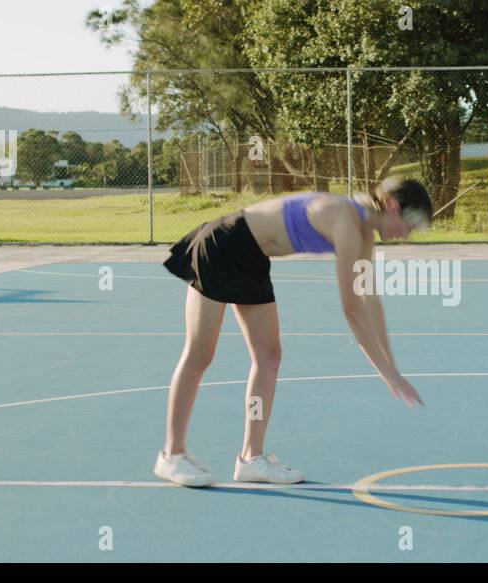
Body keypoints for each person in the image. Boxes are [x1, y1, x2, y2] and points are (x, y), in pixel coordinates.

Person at [155, 176, 432, 487]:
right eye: (412, 223)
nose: (410, 233)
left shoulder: (364, 234)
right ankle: (172, 455)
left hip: (252, 257)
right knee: (200, 353)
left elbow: (370, 301)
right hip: (224, 244)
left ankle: (251, 459)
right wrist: (386, 374)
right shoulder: (346, 219)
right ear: (393, 207)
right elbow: (352, 309)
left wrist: (392, 368)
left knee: (268, 357)